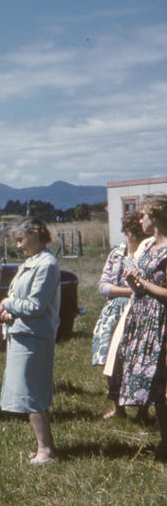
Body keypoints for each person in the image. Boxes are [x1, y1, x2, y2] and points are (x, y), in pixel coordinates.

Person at [0, 218, 61, 465]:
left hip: (34, 336)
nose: (19, 246)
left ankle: (45, 450)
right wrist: (9, 311)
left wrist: (6, 304)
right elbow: (22, 299)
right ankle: (44, 445)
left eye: (21, 240)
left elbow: (36, 305)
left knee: (31, 393)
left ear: (35, 234)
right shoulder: (32, 263)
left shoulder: (46, 264)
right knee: (27, 392)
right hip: (22, 333)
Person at [116, 194, 167, 460]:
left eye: (144, 215)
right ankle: (164, 441)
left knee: (165, 382)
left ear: (156, 217)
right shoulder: (148, 247)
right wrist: (134, 282)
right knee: (156, 383)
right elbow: (144, 282)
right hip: (145, 317)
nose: (140, 219)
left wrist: (144, 284)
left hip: (162, 320)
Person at [91, 211, 146, 419]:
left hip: (139, 309)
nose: (130, 236)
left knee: (139, 357)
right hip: (116, 311)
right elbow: (104, 285)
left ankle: (143, 408)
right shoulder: (117, 253)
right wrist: (128, 291)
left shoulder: (149, 253)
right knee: (112, 359)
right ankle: (118, 407)